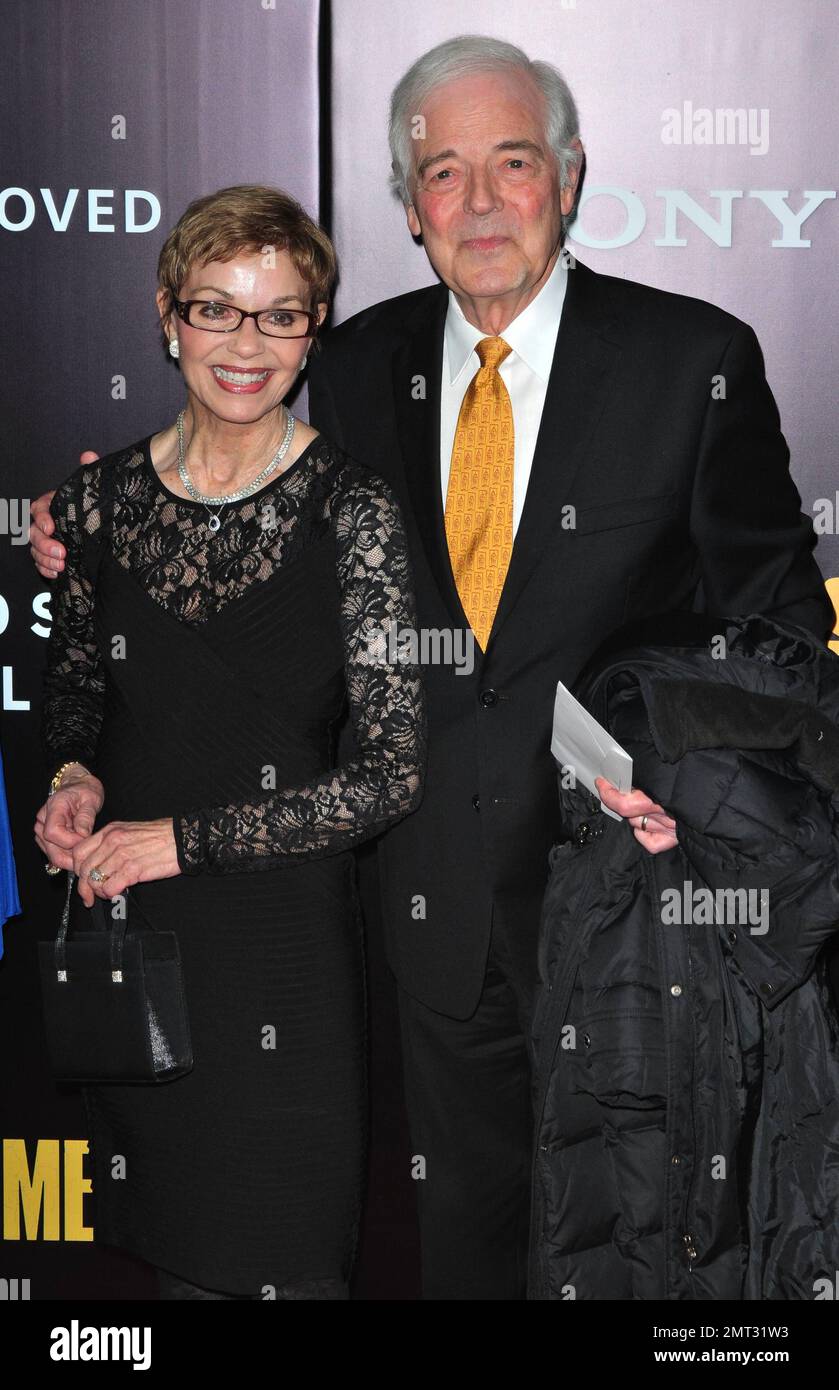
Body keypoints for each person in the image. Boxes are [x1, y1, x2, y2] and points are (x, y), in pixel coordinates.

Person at [30, 37, 833, 1300]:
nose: (476, 203)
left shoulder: (694, 359)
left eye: (508, 163)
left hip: (627, 906)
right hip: (417, 912)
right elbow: (230, 487)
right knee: (455, 1251)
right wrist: (89, 518)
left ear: (567, 177)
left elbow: (782, 637)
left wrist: (655, 758)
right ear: (407, 209)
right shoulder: (347, 369)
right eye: (440, 173)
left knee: (640, 1250)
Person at [32, 183, 426, 1300]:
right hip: (140, 947)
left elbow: (389, 774)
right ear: (167, 316)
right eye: (217, 308)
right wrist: (72, 776)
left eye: (281, 314)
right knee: (176, 1268)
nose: (246, 344)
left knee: (283, 1266)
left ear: (312, 331)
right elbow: (75, 699)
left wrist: (180, 841)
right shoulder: (100, 500)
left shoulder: (350, 509)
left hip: (282, 954)